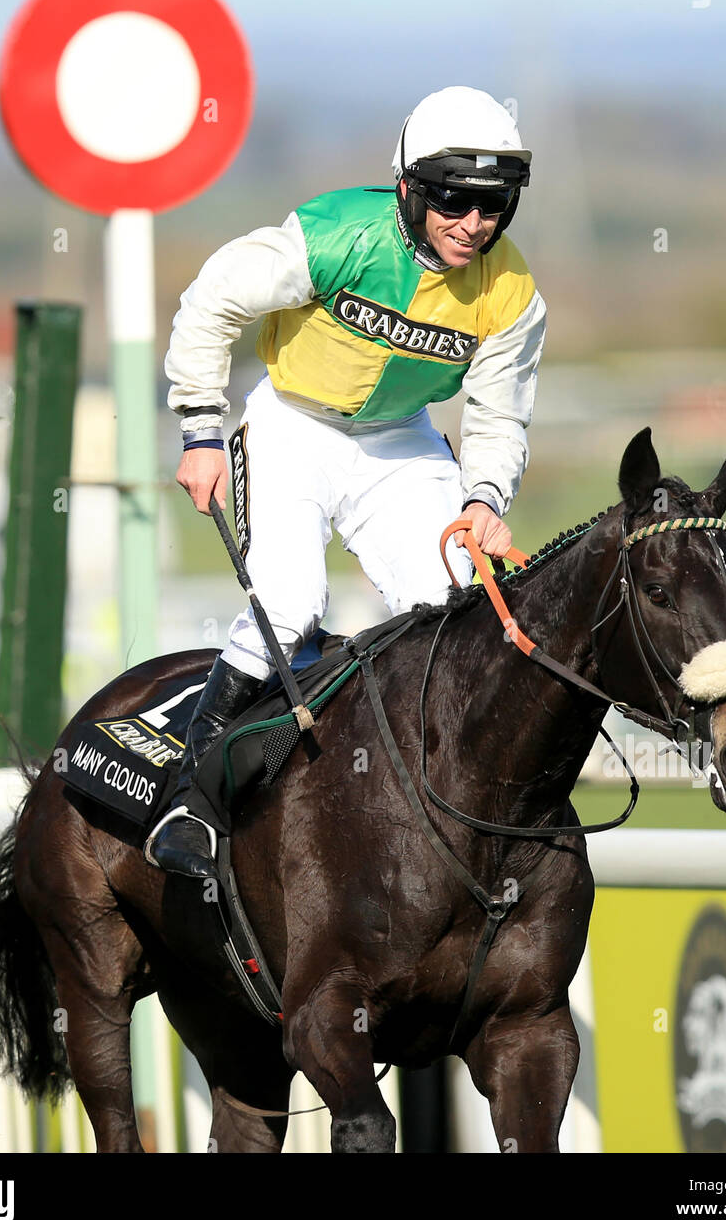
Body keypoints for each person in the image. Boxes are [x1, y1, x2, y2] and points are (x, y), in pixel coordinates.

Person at [147, 85, 547, 879]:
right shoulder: (334, 233)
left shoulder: (512, 293)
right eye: (455, 201)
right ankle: (191, 800)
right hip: (295, 424)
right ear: (409, 186)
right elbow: (213, 302)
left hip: (401, 441)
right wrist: (199, 427)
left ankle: (433, 808)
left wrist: (483, 500)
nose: (474, 224)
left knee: (454, 614)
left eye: (493, 205)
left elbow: (499, 418)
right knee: (291, 605)